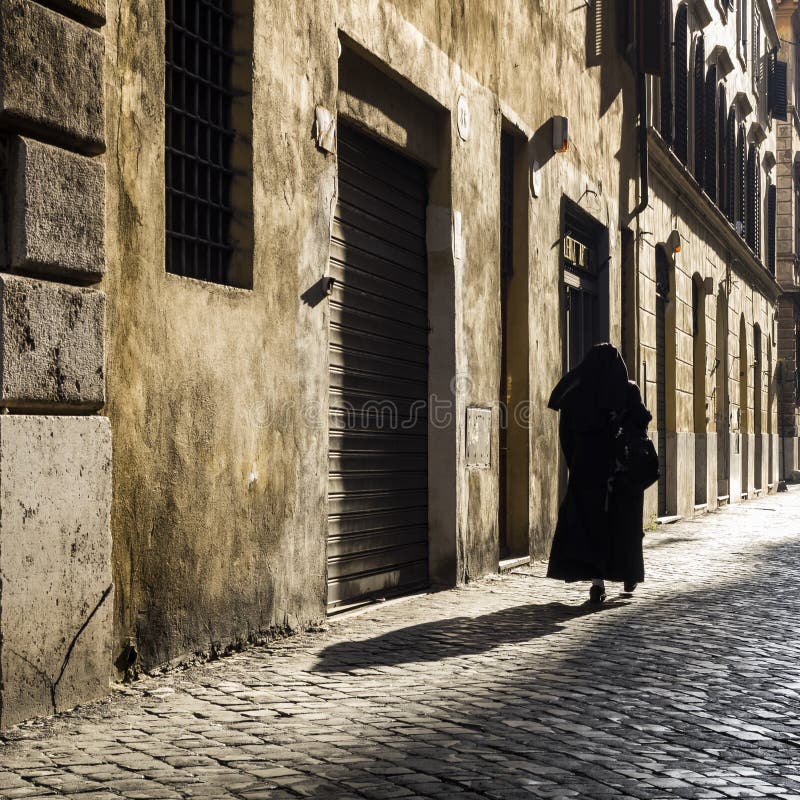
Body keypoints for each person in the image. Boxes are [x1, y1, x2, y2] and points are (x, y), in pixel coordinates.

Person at [546, 343, 655, 603]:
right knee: (624, 527)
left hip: (587, 473)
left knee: (590, 528)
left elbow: (566, 436)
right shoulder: (628, 390)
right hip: (621, 474)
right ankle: (629, 572)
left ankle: (597, 583)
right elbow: (642, 424)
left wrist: (576, 464)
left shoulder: (575, 392)